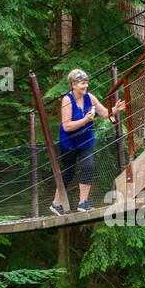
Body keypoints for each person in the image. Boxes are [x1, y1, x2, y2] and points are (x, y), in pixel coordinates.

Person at [52, 69, 121, 215]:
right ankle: (56, 203)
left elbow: (104, 113)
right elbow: (66, 126)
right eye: (82, 83)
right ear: (73, 84)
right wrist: (85, 120)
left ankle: (83, 203)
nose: (85, 86)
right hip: (69, 143)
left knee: (89, 167)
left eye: (86, 83)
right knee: (69, 173)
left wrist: (115, 109)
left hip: (86, 140)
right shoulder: (67, 100)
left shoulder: (89, 97)